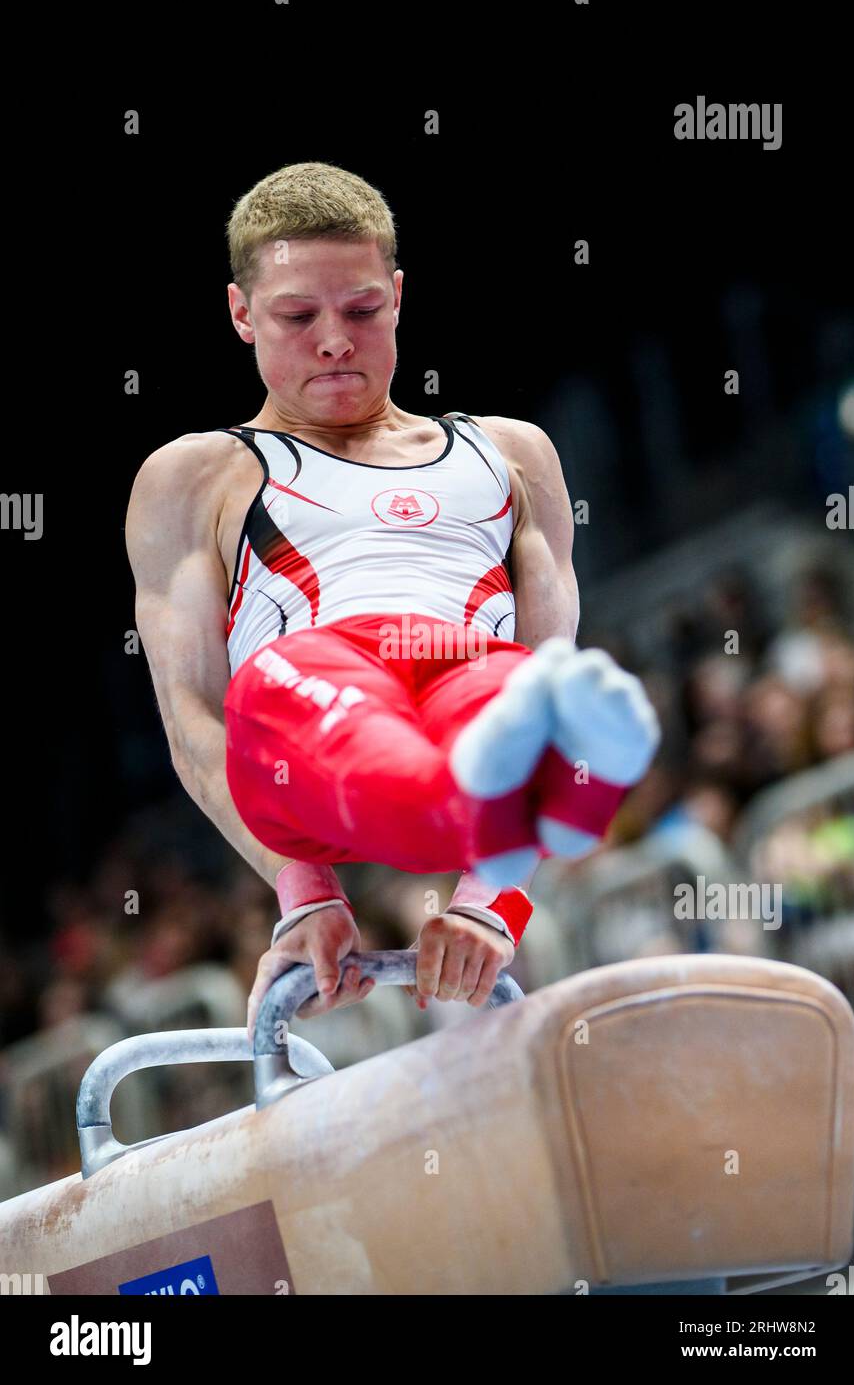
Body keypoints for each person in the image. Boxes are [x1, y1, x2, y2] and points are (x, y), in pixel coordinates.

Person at [125, 162, 659, 1038]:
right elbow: (191, 719)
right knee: (323, 697)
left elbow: (547, 670)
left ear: (400, 296)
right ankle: (455, 796)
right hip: (309, 702)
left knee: (538, 697)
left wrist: (493, 905)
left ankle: (476, 797)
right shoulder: (196, 475)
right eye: (299, 316)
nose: (335, 339)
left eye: (363, 310)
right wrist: (302, 895)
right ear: (241, 313)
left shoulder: (514, 455)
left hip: (462, 676)